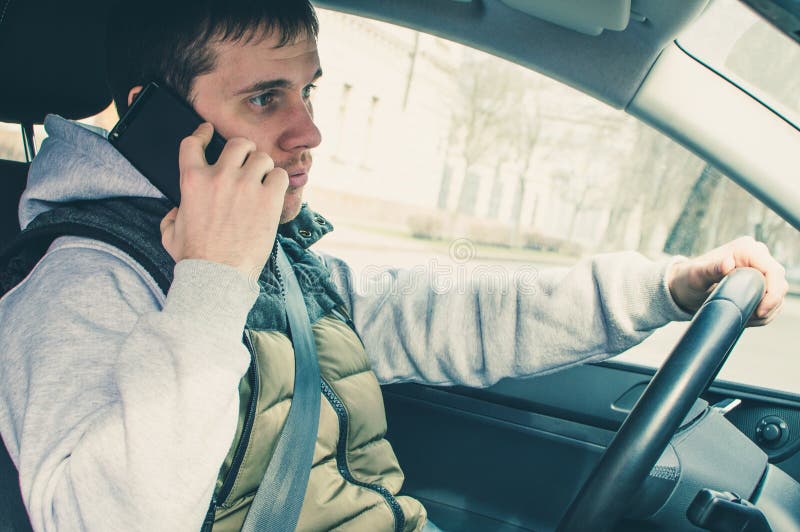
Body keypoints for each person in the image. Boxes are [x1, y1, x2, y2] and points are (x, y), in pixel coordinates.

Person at [0, 1, 788, 531]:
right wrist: (210, 286)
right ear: (156, 117)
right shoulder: (77, 284)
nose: (309, 130)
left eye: (308, 92)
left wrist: (665, 287)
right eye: (267, 98)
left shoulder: (281, 268)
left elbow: (452, 312)